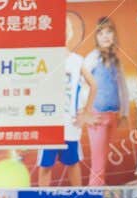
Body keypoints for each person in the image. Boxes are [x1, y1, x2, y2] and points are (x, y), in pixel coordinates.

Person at [39, 11, 86, 187]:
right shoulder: (44, 58)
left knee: (73, 163)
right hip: (49, 126)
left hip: (70, 125)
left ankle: (79, 197)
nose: (63, 31)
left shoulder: (77, 61)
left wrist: (85, 111)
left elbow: (89, 88)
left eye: (66, 27)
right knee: (45, 165)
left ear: (71, 32)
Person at [79, 17, 126, 187]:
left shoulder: (116, 59)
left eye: (109, 31)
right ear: (96, 37)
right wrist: (85, 114)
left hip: (113, 115)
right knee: (98, 164)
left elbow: (122, 87)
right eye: (101, 33)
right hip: (97, 116)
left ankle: (99, 192)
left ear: (114, 34)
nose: (105, 36)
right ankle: (95, 197)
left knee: (103, 162)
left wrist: (125, 112)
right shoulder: (92, 57)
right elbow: (79, 85)